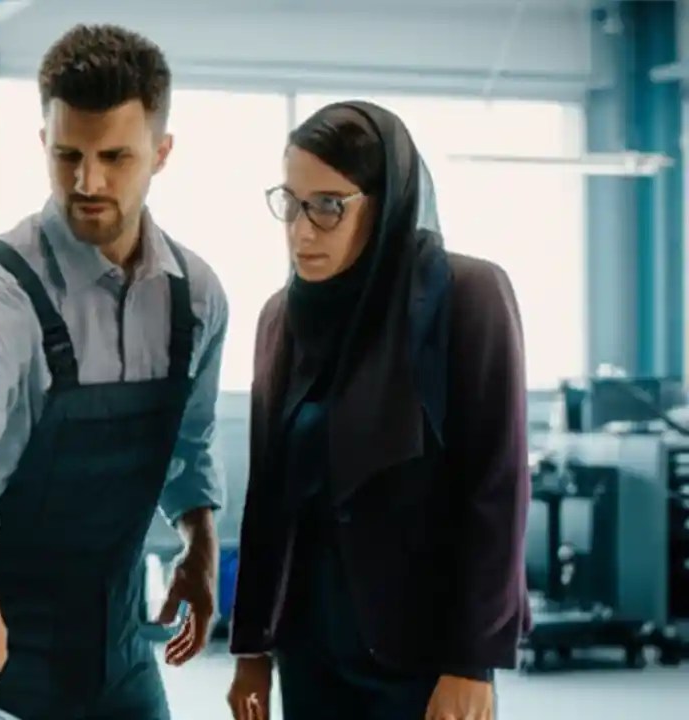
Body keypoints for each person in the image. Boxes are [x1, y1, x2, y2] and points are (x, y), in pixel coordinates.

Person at [0, 23, 230, 720]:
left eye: (115, 157)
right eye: (67, 154)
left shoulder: (194, 296)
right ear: (42, 141)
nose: (88, 182)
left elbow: (190, 444)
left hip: (124, 650)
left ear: (161, 153)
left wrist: (199, 546)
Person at [225, 101, 530, 720]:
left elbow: (496, 492)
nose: (301, 231)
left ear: (386, 202)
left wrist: (471, 663)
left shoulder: (466, 298)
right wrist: (252, 650)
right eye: (291, 202)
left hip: (422, 658)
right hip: (310, 652)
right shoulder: (282, 320)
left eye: (329, 206)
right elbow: (269, 502)